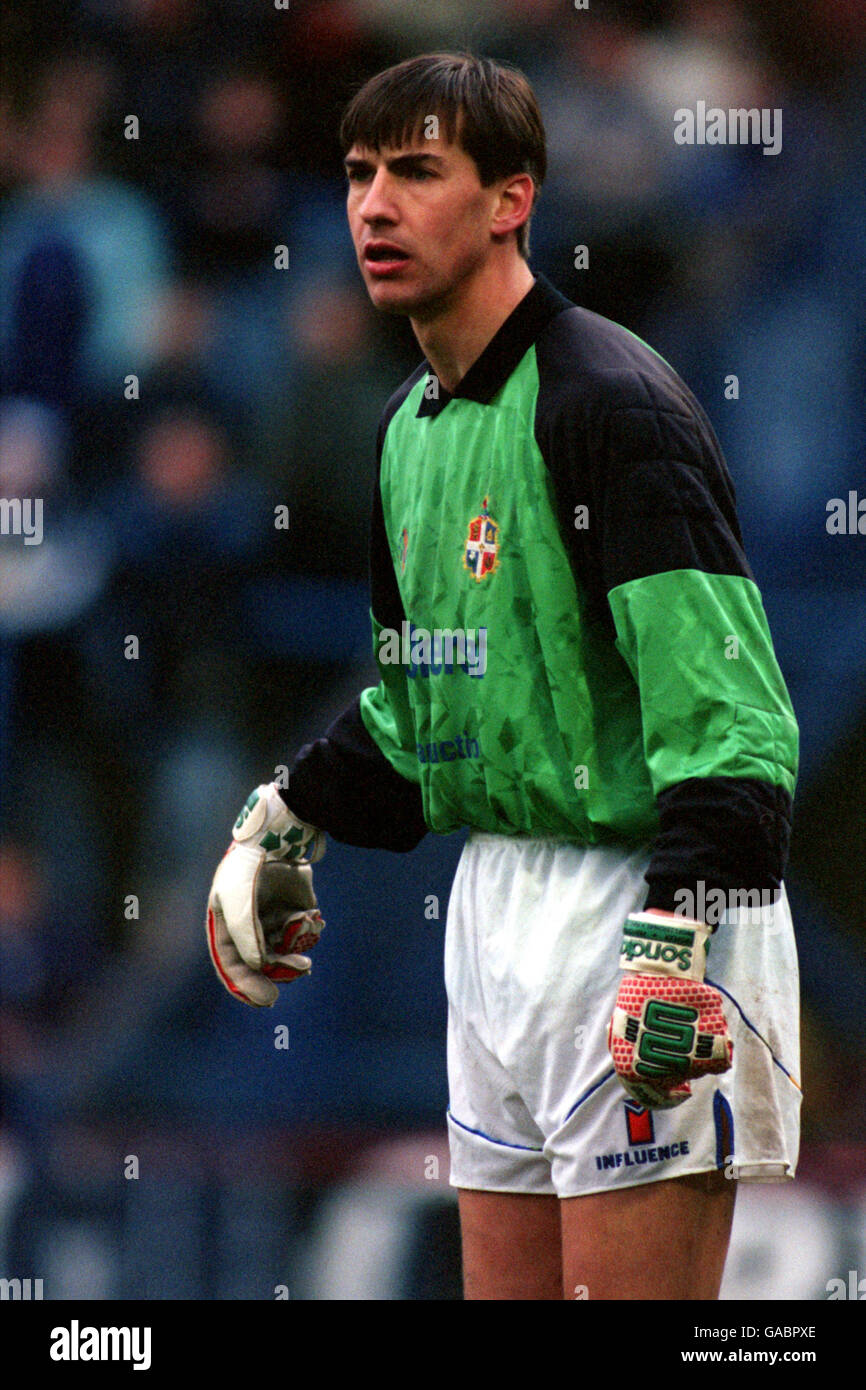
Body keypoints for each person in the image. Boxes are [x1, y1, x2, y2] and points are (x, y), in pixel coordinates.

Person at [206, 53, 801, 1301]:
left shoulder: (610, 404)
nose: (373, 205)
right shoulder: (405, 429)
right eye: (359, 175)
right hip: (497, 903)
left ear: (508, 201)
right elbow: (425, 713)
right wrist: (286, 815)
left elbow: (736, 726)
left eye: (416, 172)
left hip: (646, 903)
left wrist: (677, 938)